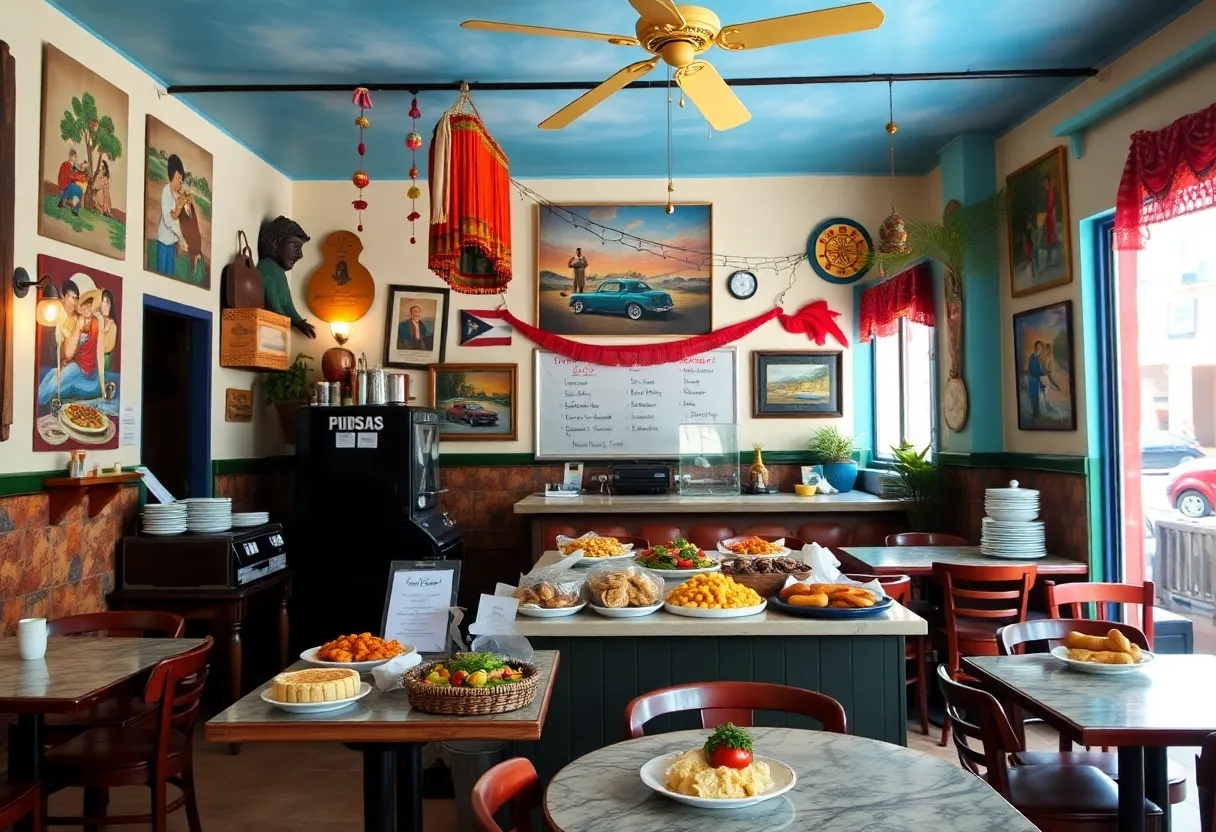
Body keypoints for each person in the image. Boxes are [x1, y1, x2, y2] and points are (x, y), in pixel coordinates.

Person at [155, 154, 188, 276]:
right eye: (179, 177)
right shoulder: (166, 191)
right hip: (164, 242)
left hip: (172, 243)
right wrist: (182, 240)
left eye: (181, 178)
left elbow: (178, 221)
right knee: (161, 275)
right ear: (174, 175)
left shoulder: (177, 195)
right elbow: (169, 221)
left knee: (170, 275)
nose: (181, 181)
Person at [56, 148, 86, 215]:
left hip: (69, 184)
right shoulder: (66, 164)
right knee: (78, 190)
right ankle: (74, 209)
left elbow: (76, 174)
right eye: (74, 156)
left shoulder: (73, 165)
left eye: (75, 156)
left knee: (77, 190)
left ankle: (62, 202)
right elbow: (72, 175)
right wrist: (78, 176)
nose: (75, 158)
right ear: (70, 156)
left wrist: (82, 170)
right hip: (65, 183)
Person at [1041, 174, 1059, 268]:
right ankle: (1050, 259)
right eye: (1044, 182)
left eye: (1045, 182)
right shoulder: (1045, 192)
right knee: (1048, 237)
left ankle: (1052, 259)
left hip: (1051, 215)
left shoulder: (1051, 190)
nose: (1044, 184)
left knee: (1051, 236)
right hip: (1048, 216)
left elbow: (1051, 204)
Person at [1026, 341, 1043, 419]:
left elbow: (1039, 370)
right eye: (1038, 347)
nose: (1039, 349)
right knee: (1033, 396)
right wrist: (1039, 374)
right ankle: (1033, 414)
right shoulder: (1032, 357)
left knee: (1037, 396)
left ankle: (1036, 414)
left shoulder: (1038, 358)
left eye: (1040, 347)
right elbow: (1032, 370)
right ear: (1036, 347)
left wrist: (1043, 372)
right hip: (1033, 379)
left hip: (1036, 379)